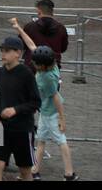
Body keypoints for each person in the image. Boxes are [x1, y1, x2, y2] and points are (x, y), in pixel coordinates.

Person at [19, 42, 79, 181]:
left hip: (52, 114)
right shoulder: (53, 65)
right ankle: (35, 170)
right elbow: (33, 46)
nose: (33, 63)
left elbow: (56, 97)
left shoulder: (46, 78)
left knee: (61, 141)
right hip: (44, 112)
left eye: (35, 63)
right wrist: (19, 29)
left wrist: (61, 119)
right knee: (41, 140)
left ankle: (69, 174)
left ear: (42, 66)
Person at [0, 35, 41, 181]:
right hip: (0, 129)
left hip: (22, 129)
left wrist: (15, 110)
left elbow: (36, 102)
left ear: (18, 53)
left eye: (6, 51)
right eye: (1, 51)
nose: (3, 54)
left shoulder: (26, 74)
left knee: (25, 171)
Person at [14, 0, 69, 69]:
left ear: (39, 11)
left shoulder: (30, 27)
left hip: (32, 65)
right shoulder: (61, 28)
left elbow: (21, 45)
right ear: (52, 12)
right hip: (52, 66)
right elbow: (63, 48)